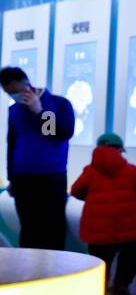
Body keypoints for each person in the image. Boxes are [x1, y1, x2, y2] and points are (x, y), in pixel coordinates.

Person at [1, 65, 75, 250]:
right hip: (23, 179)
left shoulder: (58, 103)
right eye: (9, 93)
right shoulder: (14, 111)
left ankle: (53, 274)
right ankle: (30, 275)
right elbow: (12, 145)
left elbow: (58, 133)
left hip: (51, 177)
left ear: (27, 84)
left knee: (52, 230)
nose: (15, 96)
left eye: (16, 91)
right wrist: (12, 178)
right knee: (29, 230)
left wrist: (39, 111)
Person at [70, 132, 136, 295]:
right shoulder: (131, 170)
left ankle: (100, 293)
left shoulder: (89, 172)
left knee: (100, 261)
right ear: (119, 149)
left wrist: (92, 199)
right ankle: (120, 286)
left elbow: (76, 191)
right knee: (132, 256)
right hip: (128, 226)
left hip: (97, 228)